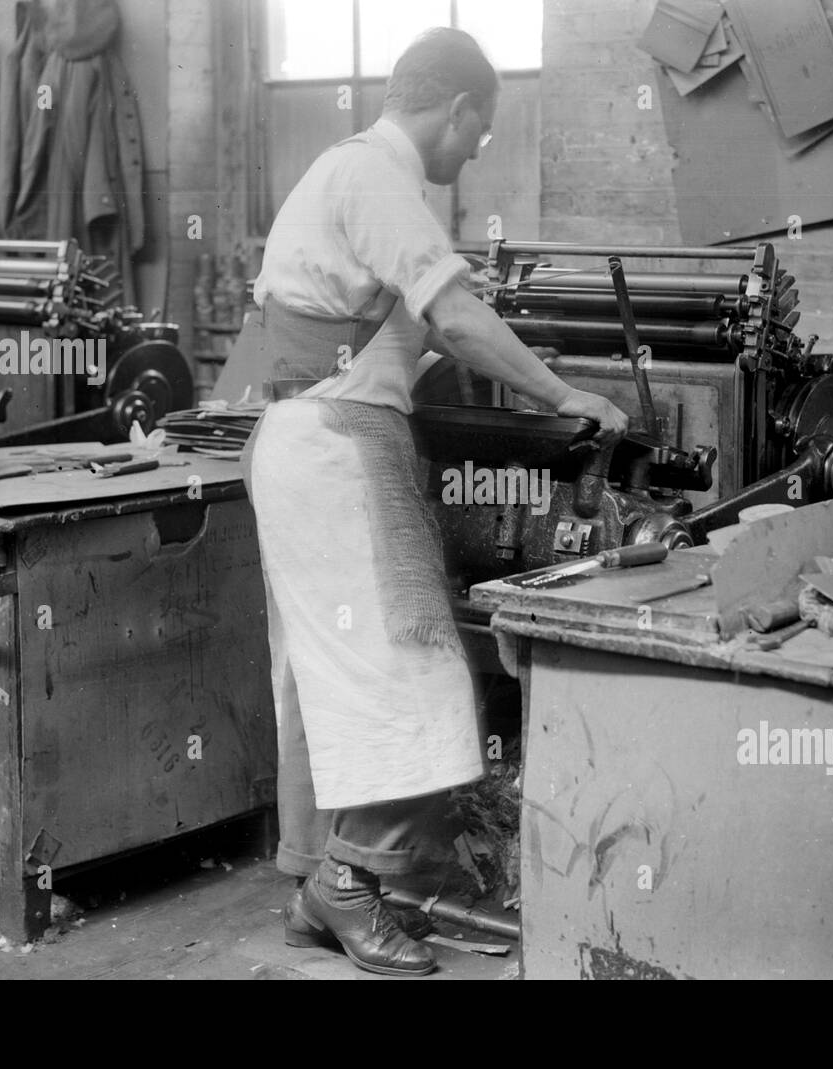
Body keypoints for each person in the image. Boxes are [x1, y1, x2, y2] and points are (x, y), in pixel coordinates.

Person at [243, 27, 628, 977]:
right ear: (455, 107)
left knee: (329, 683)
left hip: (298, 441)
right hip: (336, 455)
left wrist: (448, 338)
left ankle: (316, 888)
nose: (474, 152)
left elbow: (316, 340)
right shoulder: (381, 179)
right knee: (423, 681)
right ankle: (348, 881)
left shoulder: (332, 173)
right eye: (480, 131)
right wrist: (563, 394)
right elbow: (454, 316)